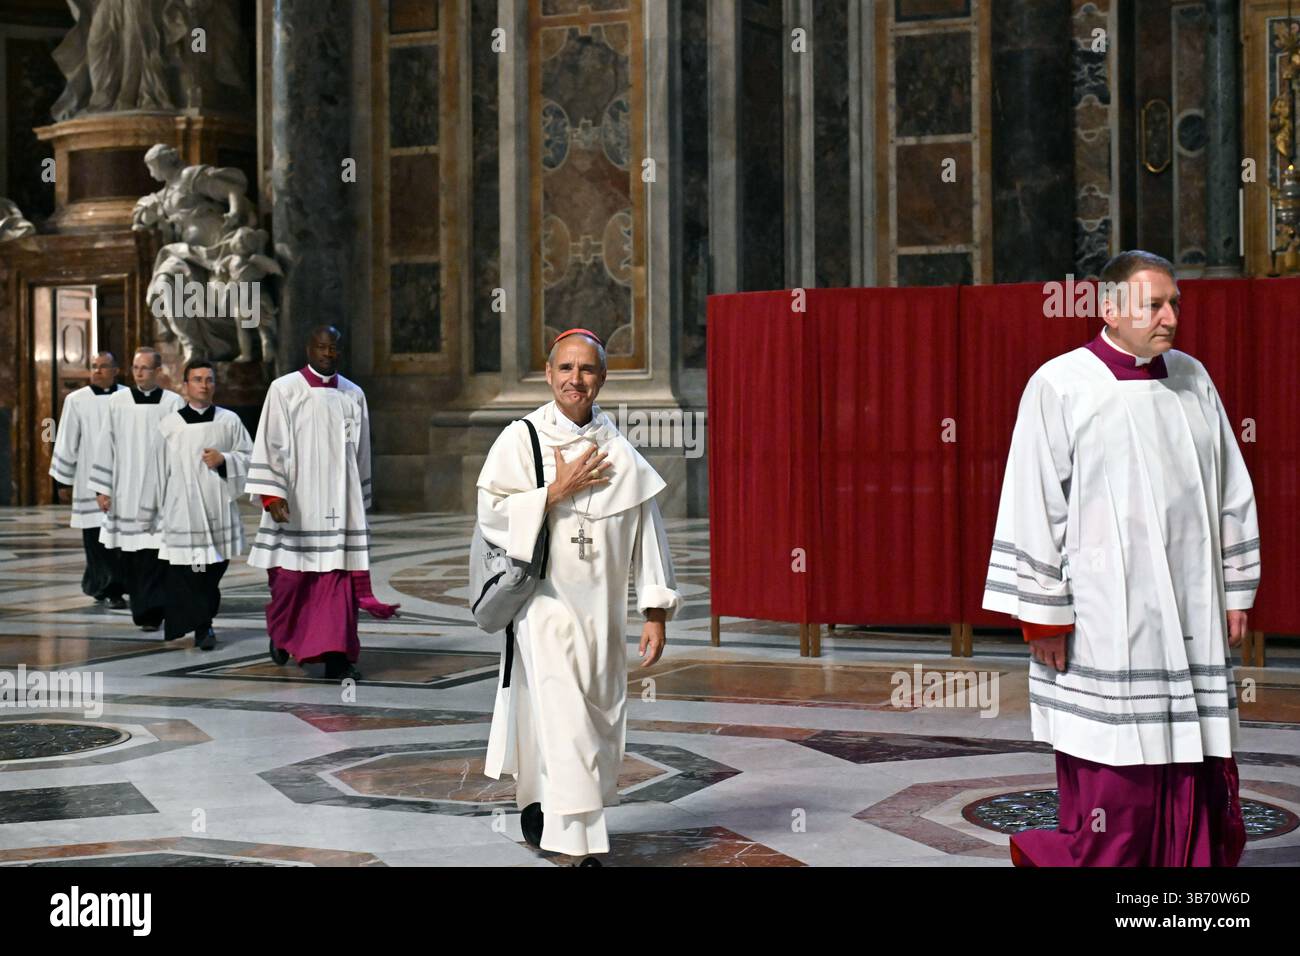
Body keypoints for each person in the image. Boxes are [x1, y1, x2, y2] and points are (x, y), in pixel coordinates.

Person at [983, 250, 1258, 867]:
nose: (1169, 317)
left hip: (1190, 607)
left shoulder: (1193, 378)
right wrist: (1045, 615)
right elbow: (1033, 502)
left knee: (1191, 757)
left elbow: (1231, 489)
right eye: (1153, 304)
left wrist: (1236, 589)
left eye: (1174, 304)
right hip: (1106, 616)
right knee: (1119, 777)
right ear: (1108, 308)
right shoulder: (1059, 384)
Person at [477, 328, 682, 865]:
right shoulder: (521, 440)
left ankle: (539, 806)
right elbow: (491, 514)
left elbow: (648, 534)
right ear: (548, 375)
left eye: (587, 370)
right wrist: (553, 492)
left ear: (602, 379)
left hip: (604, 616)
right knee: (565, 720)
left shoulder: (619, 450)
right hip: (544, 609)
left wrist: (655, 612)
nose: (576, 379)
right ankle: (577, 845)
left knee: (590, 724)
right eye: (565, 369)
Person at [245, 326, 398, 682]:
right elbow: (270, 443)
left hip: (339, 505)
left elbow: (361, 452)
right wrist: (271, 495)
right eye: (321, 347)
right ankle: (284, 633)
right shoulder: (284, 389)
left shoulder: (353, 394)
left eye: (333, 348)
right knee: (290, 581)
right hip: (296, 502)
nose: (327, 353)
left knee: (336, 582)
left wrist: (358, 499)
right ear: (308, 348)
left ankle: (337, 657)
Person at [140, 360, 253, 649]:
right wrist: (149, 511)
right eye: (197, 379)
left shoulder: (229, 421)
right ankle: (203, 626)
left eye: (210, 379)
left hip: (217, 508)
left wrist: (225, 459)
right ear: (185, 385)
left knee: (212, 570)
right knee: (191, 572)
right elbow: (156, 470)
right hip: (184, 510)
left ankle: (203, 620)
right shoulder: (169, 426)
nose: (204, 385)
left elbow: (251, 458)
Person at [89, 346, 184, 631]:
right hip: (126, 490)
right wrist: (102, 489)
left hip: (161, 490)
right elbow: (105, 445)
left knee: (157, 554)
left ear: (158, 371)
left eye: (144, 368)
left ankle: (156, 609)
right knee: (132, 556)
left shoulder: (173, 403)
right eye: (135, 367)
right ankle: (142, 609)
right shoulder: (118, 402)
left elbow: (180, 447)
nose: (138, 372)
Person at [49, 351, 127, 607]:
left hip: (123, 479)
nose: (97, 371)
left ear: (115, 370)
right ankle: (107, 587)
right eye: (94, 366)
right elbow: (66, 440)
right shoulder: (76, 400)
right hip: (88, 479)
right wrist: (63, 481)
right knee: (94, 537)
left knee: (120, 537)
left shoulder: (128, 397)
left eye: (104, 366)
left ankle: (99, 584)